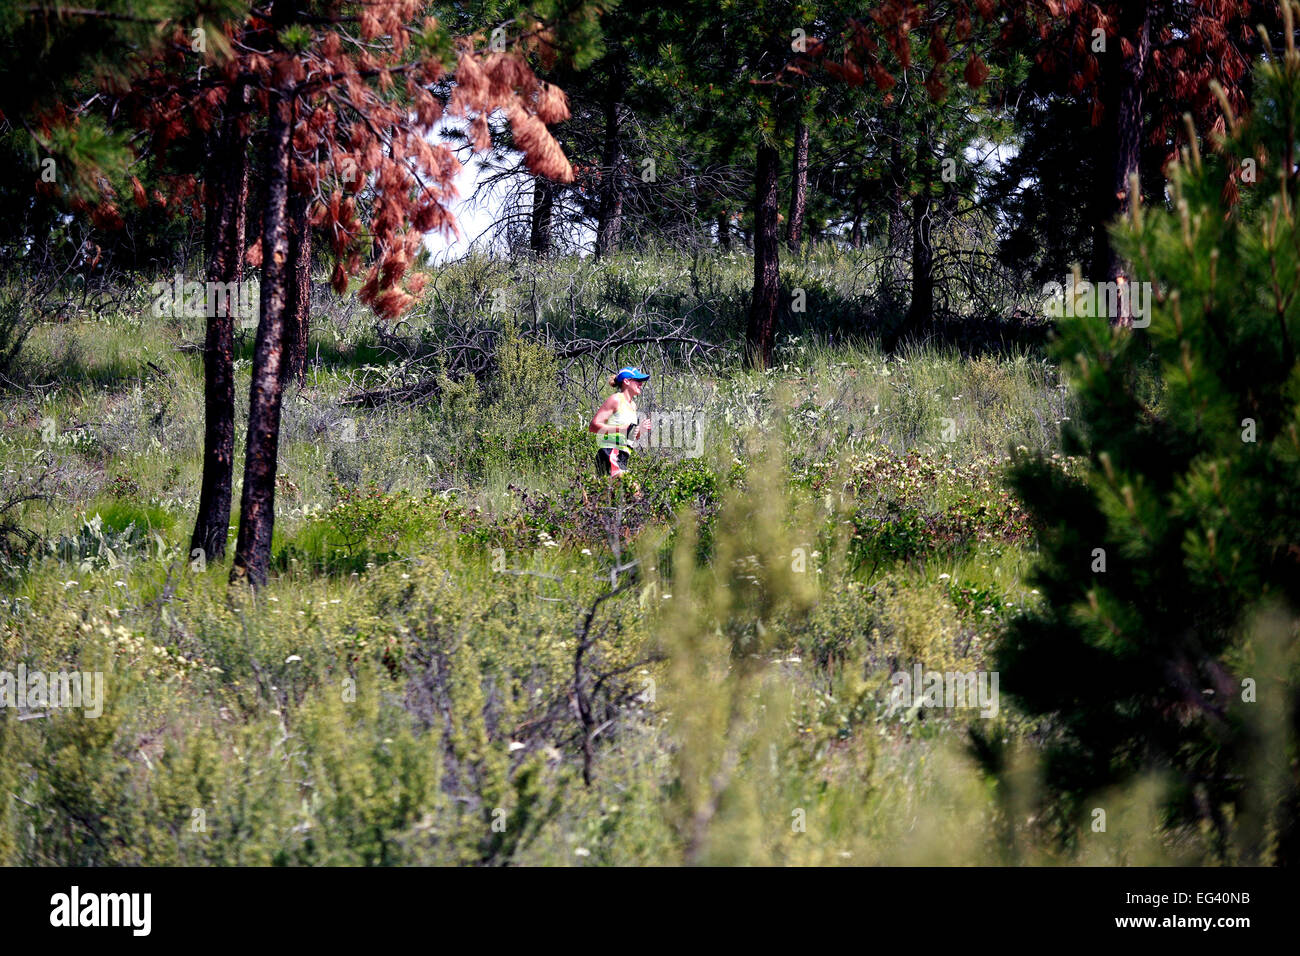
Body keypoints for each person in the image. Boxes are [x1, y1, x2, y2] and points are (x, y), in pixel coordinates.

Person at [590, 367, 653, 478]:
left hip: (623, 455)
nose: (641, 384)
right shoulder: (616, 399)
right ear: (626, 381)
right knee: (633, 490)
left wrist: (640, 431)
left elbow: (627, 435)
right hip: (610, 452)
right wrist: (622, 429)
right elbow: (594, 426)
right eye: (638, 381)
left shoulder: (633, 406)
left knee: (614, 494)